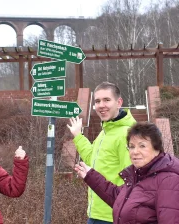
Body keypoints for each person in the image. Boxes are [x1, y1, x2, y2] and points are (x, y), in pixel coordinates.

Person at [75, 122, 179, 223]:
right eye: (131, 146)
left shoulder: (168, 180)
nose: (135, 151)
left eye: (142, 146)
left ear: (157, 149)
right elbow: (118, 197)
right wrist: (90, 176)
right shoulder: (138, 175)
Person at [67, 82, 136, 224]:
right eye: (97, 101)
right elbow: (92, 158)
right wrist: (78, 136)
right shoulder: (106, 131)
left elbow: (132, 181)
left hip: (112, 216)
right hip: (96, 213)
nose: (101, 105)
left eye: (107, 100)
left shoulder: (126, 134)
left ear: (119, 102)